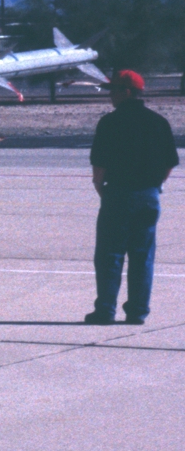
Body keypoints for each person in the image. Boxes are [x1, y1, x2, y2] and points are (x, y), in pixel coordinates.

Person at [85, 70, 177, 325]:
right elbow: (171, 162)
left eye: (113, 91)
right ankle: (137, 311)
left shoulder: (110, 122)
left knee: (109, 255)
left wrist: (101, 188)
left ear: (126, 92)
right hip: (148, 195)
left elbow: (99, 165)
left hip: (118, 193)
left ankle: (105, 310)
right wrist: (154, 186)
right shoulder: (158, 122)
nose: (110, 97)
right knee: (142, 256)